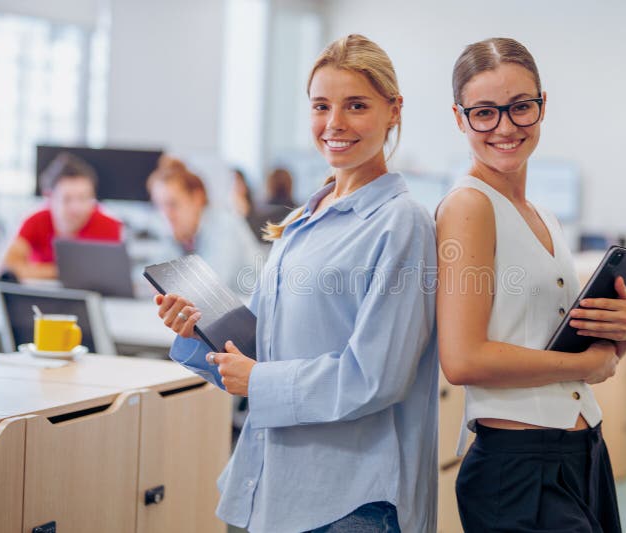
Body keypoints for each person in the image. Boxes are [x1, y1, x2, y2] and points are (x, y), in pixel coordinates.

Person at [154, 34, 438, 532]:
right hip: (276, 486)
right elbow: (258, 347)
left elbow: (377, 377)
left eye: (356, 106)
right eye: (321, 106)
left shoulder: (402, 223)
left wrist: (258, 379)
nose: (334, 124)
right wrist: (195, 334)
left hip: (351, 501)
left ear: (394, 110)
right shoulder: (305, 218)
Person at [436, 38, 626, 532]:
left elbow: (576, 355)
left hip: (583, 452)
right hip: (519, 467)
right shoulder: (469, 206)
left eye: (520, 107)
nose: (506, 127)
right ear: (458, 117)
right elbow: (463, 359)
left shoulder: (544, 217)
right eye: (485, 112)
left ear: (542, 105)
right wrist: (585, 363)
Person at [147, 156, 267, 293]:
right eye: (159, 206)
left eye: (173, 204)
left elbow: (211, 287)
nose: (166, 215)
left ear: (197, 198)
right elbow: (154, 278)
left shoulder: (225, 225)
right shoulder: (181, 233)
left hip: (249, 308)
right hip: (215, 311)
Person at [0, 152, 122, 280]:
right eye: (67, 199)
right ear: (49, 197)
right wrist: (66, 272)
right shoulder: (35, 220)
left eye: (84, 198)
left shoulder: (109, 225)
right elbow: (7, 267)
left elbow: (110, 276)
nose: (76, 208)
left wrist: (35, 271)